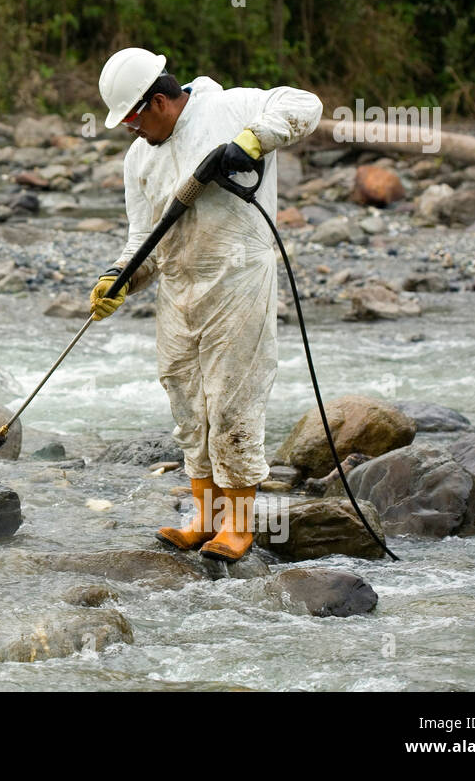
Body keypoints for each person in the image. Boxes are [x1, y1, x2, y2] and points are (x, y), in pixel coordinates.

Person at [90, 47, 322, 561]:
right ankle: (205, 517)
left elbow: (306, 104)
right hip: (179, 288)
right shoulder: (139, 159)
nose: (129, 129)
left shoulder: (232, 108)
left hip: (237, 279)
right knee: (187, 403)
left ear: (156, 102)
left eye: (131, 118)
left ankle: (238, 526)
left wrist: (253, 140)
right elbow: (144, 239)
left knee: (232, 401)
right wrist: (119, 278)